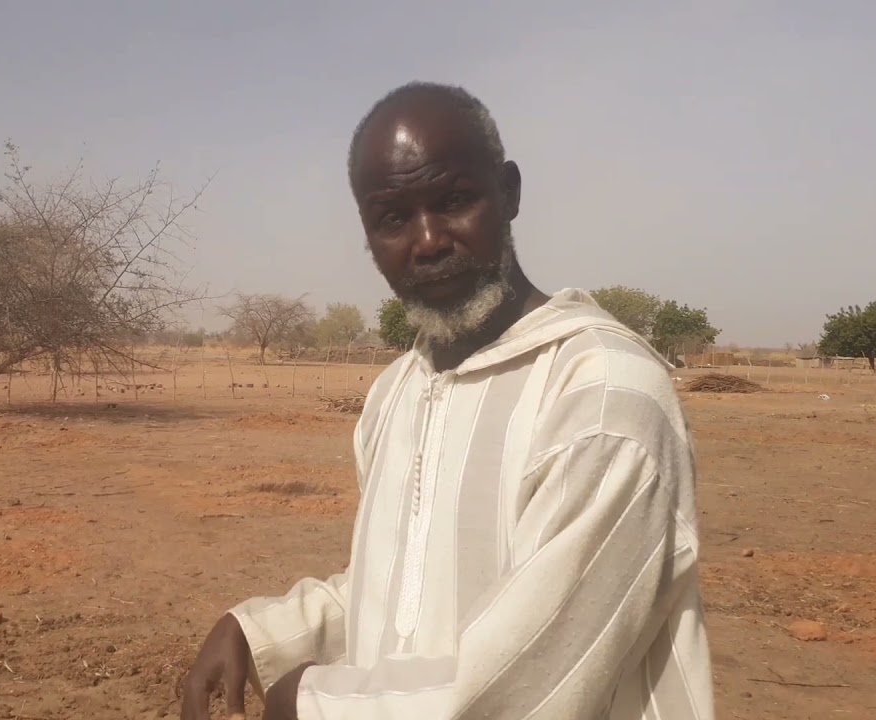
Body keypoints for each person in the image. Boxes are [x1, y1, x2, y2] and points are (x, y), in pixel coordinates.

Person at [179, 81, 714, 720]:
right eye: (393, 218)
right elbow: (404, 595)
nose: (428, 240)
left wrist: (313, 703)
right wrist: (262, 631)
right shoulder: (397, 391)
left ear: (509, 192)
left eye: (454, 200)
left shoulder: (603, 393)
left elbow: (537, 675)